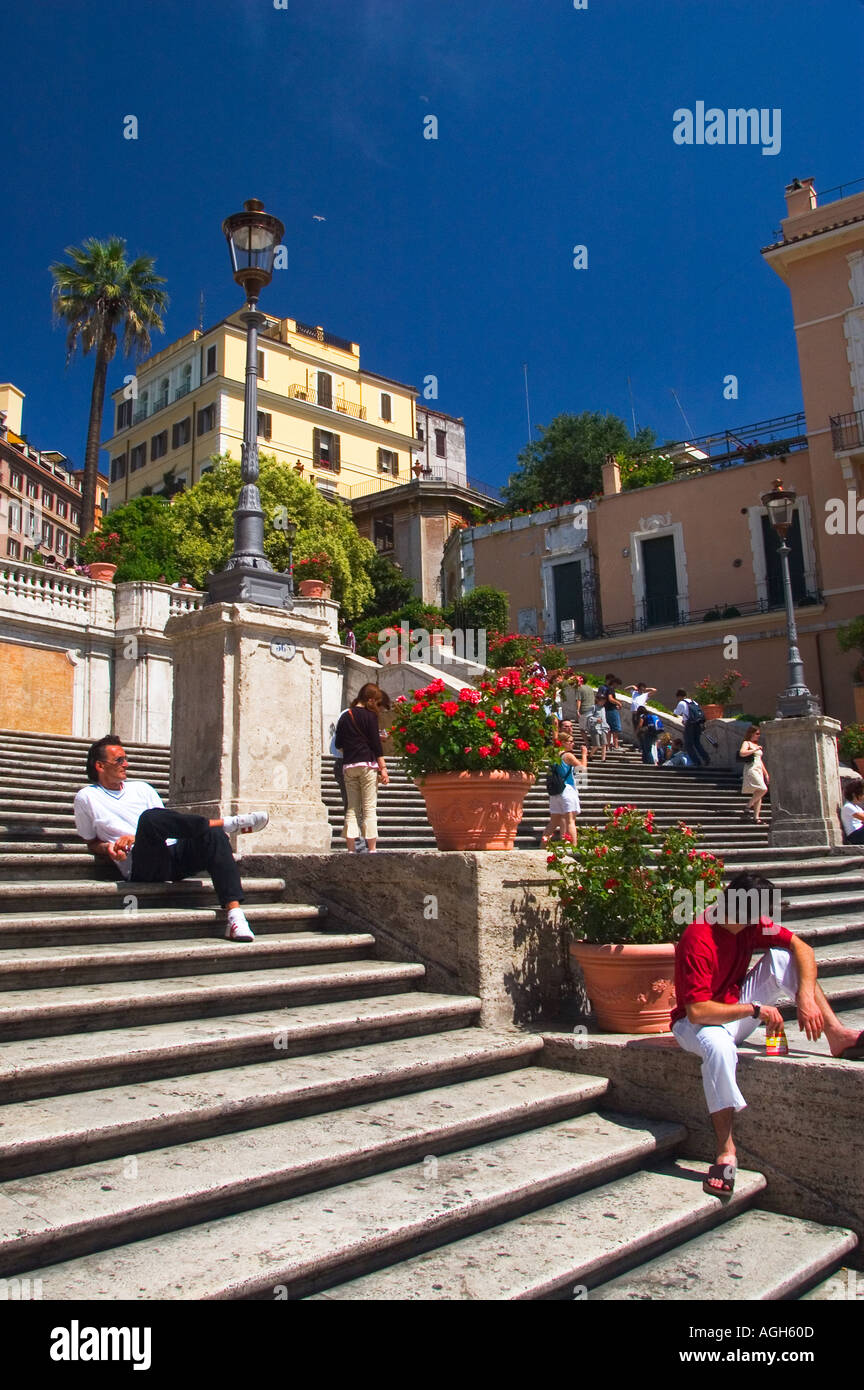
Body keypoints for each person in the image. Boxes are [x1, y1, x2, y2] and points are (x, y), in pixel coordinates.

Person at [670, 871, 864, 1196]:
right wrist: (754, 1011)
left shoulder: (750, 921)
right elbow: (698, 1011)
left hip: (733, 1010)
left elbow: (802, 948)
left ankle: (837, 1035)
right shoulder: (698, 937)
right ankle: (725, 1151)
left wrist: (804, 997)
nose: (763, 919)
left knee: (783, 958)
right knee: (719, 1047)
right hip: (695, 1025)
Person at [74, 736, 268, 942]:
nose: (126, 764)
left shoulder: (142, 788)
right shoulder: (87, 798)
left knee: (211, 835)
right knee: (149, 819)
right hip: (143, 866)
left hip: (172, 855)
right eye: (119, 760)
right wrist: (110, 847)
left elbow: (167, 824)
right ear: (100, 765)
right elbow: (91, 842)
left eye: (125, 758)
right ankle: (223, 823)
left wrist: (137, 835)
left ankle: (235, 916)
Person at [335, 683, 390, 853]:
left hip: (349, 766)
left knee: (352, 808)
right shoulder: (370, 716)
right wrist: (383, 768)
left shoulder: (345, 716)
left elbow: (338, 744)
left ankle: (351, 849)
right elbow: (375, 744)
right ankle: (372, 848)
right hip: (367, 765)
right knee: (369, 807)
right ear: (371, 699)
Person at [541, 733, 587, 846]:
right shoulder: (568, 756)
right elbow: (582, 768)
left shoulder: (554, 755)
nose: (573, 744)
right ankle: (574, 847)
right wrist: (584, 754)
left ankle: (542, 846)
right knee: (570, 821)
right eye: (570, 742)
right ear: (562, 743)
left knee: (553, 822)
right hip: (567, 790)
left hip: (556, 792)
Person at [738, 724, 768, 822]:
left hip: (758, 769)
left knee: (758, 793)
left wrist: (766, 773)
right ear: (751, 733)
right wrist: (754, 749)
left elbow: (760, 760)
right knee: (763, 789)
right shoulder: (747, 743)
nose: (758, 735)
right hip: (751, 768)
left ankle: (756, 817)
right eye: (757, 733)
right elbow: (742, 753)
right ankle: (747, 806)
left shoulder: (756, 745)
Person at [674, 688, 711, 769]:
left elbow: (676, 713)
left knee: (688, 745)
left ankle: (697, 762)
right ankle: (706, 758)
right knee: (697, 743)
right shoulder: (694, 702)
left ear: (679, 696)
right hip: (698, 724)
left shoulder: (682, 703)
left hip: (690, 725)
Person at [598, 674, 623, 751]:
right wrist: (618, 703)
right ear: (615, 683)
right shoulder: (611, 689)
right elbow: (610, 698)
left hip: (606, 710)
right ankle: (615, 746)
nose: (618, 687)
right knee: (615, 729)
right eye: (618, 685)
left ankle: (608, 746)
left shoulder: (605, 688)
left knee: (609, 729)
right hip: (612, 710)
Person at [840, 778, 864, 844]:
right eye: (862, 794)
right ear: (854, 794)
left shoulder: (857, 807)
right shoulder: (848, 807)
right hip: (855, 836)